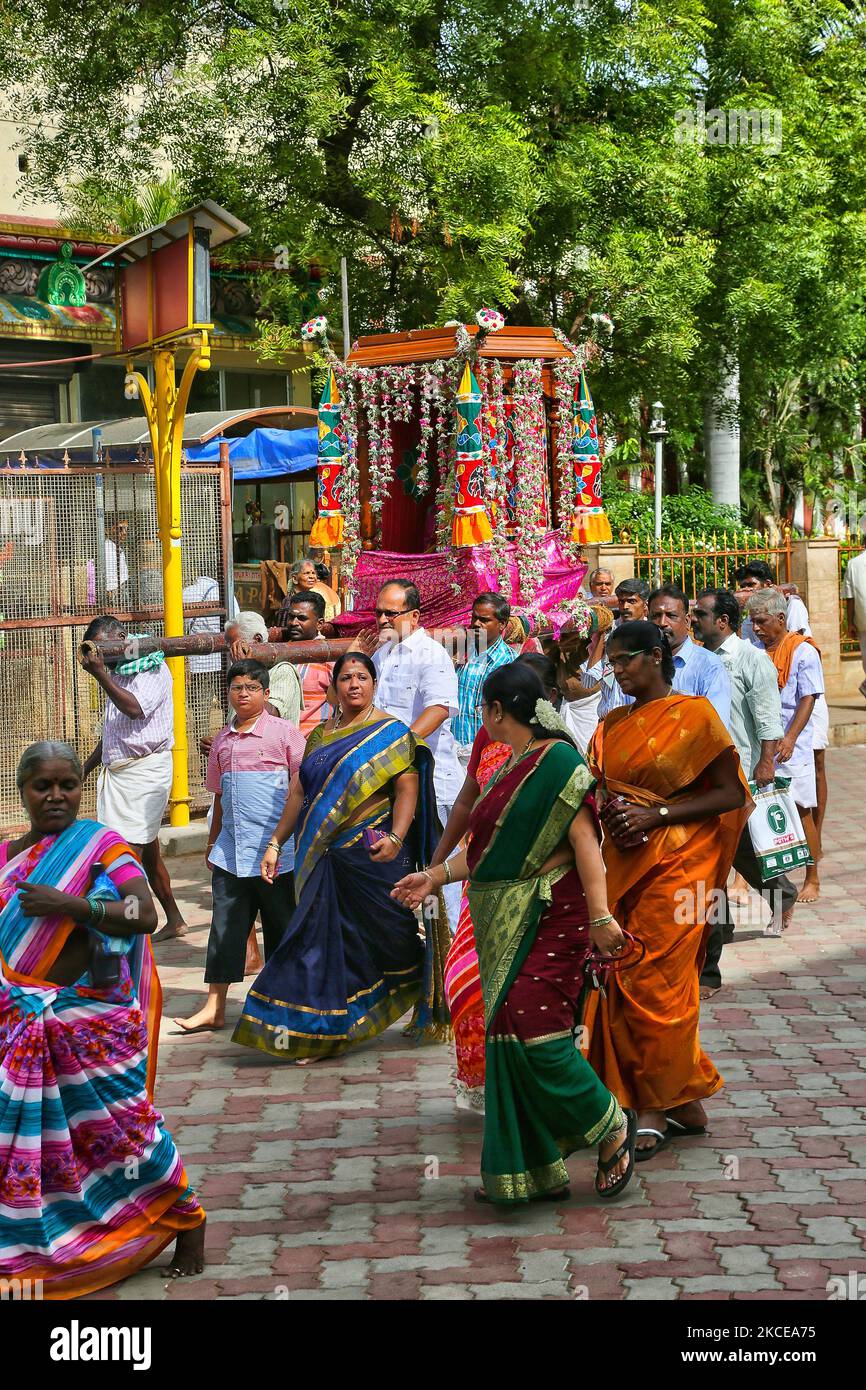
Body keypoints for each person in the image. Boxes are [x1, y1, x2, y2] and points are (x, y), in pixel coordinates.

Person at [392, 662, 638, 1204]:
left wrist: (601, 919)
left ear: (499, 711)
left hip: (553, 917)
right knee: (505, 1033)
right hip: (504, 918)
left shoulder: (558, 763)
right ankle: (533, 1168)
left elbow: (585, 845)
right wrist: (432, 877)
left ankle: (612, 1125)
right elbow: (486, 856)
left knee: (539, 1036)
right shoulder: (514, 766)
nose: (483, 718)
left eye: (484, 709)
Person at [0, 742, 205, 1295]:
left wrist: (73, 906)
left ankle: (186, 1219)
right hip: (16, 1022)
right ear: (22, 792)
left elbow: (144, 913)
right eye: (43, 786)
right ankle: (41, 1243)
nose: (57, 796)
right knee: (32, 1145)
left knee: (120, 1132)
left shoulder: (100, 844)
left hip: (90, 1022)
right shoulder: (5, 857)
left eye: (68, 784)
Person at [232, 652, 451, 1062]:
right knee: (312, 938)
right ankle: (317, 1030)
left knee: (389, 938)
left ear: (374, 683)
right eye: (346, 678)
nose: (355, 684)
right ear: (333, 687)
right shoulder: (317, 737)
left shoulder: (391, 732)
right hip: (322, 855)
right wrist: (276, 842)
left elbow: (407, 788)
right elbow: (299, 792)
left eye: (363, 677)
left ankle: (422, 981)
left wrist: (398, 838)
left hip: (371, 854)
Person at [586, 621, 749, 1158]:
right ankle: (681, 1096)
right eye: (611, 661)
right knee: (621, 972)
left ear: (657, 657)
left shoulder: (695, 716)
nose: (617, 670)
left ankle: (652, 1104)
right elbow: (598, 788)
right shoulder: (609, 724)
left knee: (657, 981)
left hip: (679, 868)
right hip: (622, 863)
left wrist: (656, 814)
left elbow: (730, 793)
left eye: (626, 659)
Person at [434, 653, 557, 1110]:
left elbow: (578, 832)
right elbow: (466, 801)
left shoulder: (556, 749)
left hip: (532, 886)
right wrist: (436, 863)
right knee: (464, 981)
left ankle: (527, 1088)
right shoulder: (488, 736)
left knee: (520, 991)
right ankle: (485, 1081)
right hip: (477, 874)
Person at [175, 661, 306, 1034]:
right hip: (231, 853)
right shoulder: (222, 740)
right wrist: (213, 839)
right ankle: (215, 1006)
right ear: (228, 693)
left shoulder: (286, 735)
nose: (243, 694)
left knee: (282, 930)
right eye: (236, 688)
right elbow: (219, 795)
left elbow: (301, 791)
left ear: (266, 694)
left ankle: (285, 1007)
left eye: (251, 687)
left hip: (277, 855)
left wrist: (282, 842)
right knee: (224, 930)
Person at [692, 589, 796, 987]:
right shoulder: (699, 659)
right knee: (724, 851)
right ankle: (728, 921)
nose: (694, 619)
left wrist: (766, 763)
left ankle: (777, 892)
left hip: (743, 772)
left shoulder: (751, 660)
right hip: (705, 773)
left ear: (722, 621)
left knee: (733, 850)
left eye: (700, 614)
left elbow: (768, 716)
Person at [362, 579, 464, 928]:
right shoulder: (380, 654)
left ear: (415, 616)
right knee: (405, 863)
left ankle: (449, 946)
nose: (382, 621)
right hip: (392, 781)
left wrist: (396, 748)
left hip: (431, 782)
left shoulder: (431, 654)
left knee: (439, 865)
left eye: (392, 613)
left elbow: (438, 709)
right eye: (378, 613)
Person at [81, 616, 187, 943]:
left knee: (126, 855)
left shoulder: (152, 669)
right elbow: (113, 732)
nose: (102, 656)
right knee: (148, 851)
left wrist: (100, 674)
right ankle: (176, 919)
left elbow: (133, 710)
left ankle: (129, 927)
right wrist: (85, 768)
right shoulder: (117, 673)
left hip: (146, 770)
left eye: (105, 647)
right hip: (119, 773)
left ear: (122, 638)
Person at [746, 590, 823, 904]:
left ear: (781, 619)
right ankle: (769, 877)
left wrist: (790, 738)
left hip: (793, 744)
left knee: (802, 810)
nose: (757, 629)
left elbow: (808, 697)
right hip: (762, 744)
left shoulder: (803, 651)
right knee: (759, 811)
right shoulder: (752, 651)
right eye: (753, 623)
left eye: (762, 622)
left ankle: (813, 878)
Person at [648, 584, 731, 726]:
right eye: (656, 616)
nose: (662, 623)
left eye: (671, 616)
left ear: (687, 622)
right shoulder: (637, 664)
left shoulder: (709, 665)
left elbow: (715, 727)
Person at [452, 592, 515, 769]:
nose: (476, 624)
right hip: (453, 749)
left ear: (502, 624)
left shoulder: (508, 662)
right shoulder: (463, 651)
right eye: (474, 618)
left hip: (489, 754)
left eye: (484, 620)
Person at [269, 590, 333, 737]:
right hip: (279, 742)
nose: (293, 623)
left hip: (312, 744)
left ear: (319, 624)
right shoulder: (279, 652)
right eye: (291, 617)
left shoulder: (329, 659)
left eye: (301, 618)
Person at [589, 578, 651, 718]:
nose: (625, 607)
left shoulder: (653, 634)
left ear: (645, 605)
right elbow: (589, 681)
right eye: (621, 602)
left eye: (632, 601)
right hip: (608, 722)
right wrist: (602, 636)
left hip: (641, 719)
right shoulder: (609, 630)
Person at [228, 611, 303, 724]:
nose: (231, 652)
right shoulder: (238, 674)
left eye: (235, 646)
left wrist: (247, 669)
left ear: (257, 640)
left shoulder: (283, 671)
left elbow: (270, 715)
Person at [283, 554, 341, 621]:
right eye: (307, 573)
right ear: (295, 579)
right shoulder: (289, 601)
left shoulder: (316, 597)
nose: (312, 576)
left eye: (313, 573)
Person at [843, 537, 866, 702]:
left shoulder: (853, 564)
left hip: (862, 620)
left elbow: (849, 597)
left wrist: (850, 622)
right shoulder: (854, 564)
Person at [105, 516, 130, 605]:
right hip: (114, 591)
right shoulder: (107, 548)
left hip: (121, 589)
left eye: (126, 529)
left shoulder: (116, 547)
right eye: (120, 529)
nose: (124, 533)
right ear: (107, 530)